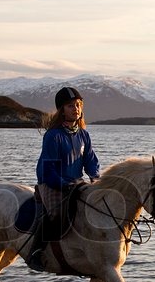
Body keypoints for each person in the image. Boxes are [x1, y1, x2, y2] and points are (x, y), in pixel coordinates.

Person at [26, 86, 100, 271]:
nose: (75, 109)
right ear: (61, 110)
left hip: (75, 184)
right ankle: (36, 251)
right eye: (70, 106)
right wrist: (63, 184)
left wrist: (96, 180)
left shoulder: (84, 135)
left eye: (78, 105)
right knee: (56, 214)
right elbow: (48, 169)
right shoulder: (53, 136)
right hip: (51, 183)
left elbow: (90, 161)